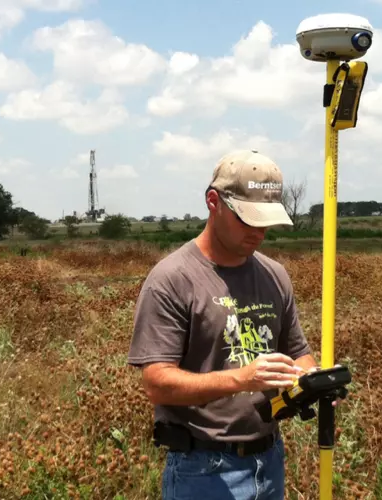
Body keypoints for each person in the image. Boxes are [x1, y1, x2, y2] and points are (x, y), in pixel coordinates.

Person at [128, 149, 320, 500]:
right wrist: (242, 379)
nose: (259, 232)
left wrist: (310, 380)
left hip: (270, 460)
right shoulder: (172, 279)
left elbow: (298, 353)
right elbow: (156, 384)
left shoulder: (275, 276)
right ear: (213, 202)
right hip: (203, 470)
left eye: (266, 221)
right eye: (248, 219)